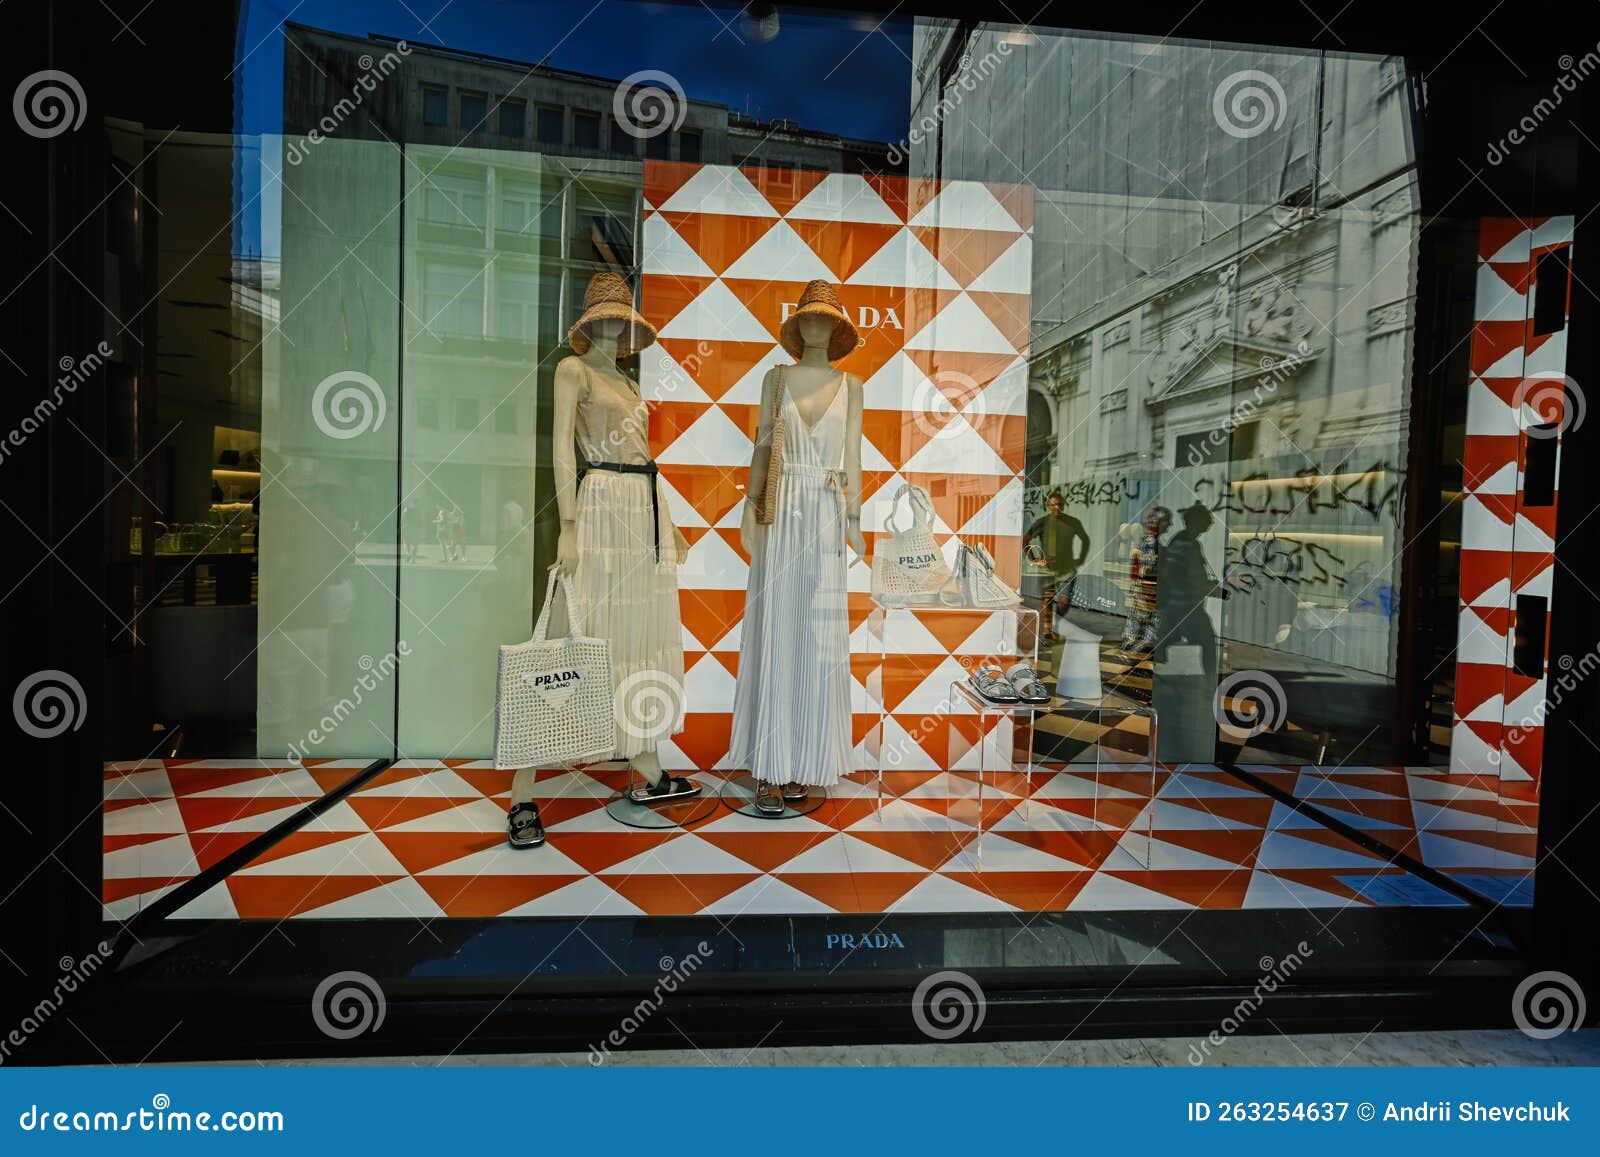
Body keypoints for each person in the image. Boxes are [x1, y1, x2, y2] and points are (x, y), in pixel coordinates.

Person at [1023, 490, 1089, 632]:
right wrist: (1033, 559)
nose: (1056, 508)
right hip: (1047, 570)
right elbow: (1026, 539)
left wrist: (1081, 558)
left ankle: (1057, 621)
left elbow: (1085, 539)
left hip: (1067, 569)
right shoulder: (1042, 523)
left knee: (1064, 602)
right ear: (1048, 506)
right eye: (1053, 505)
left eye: (1059, 504)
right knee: (1047, 600)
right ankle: (1048, 630)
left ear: (1063, 505)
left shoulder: (1072, 522)